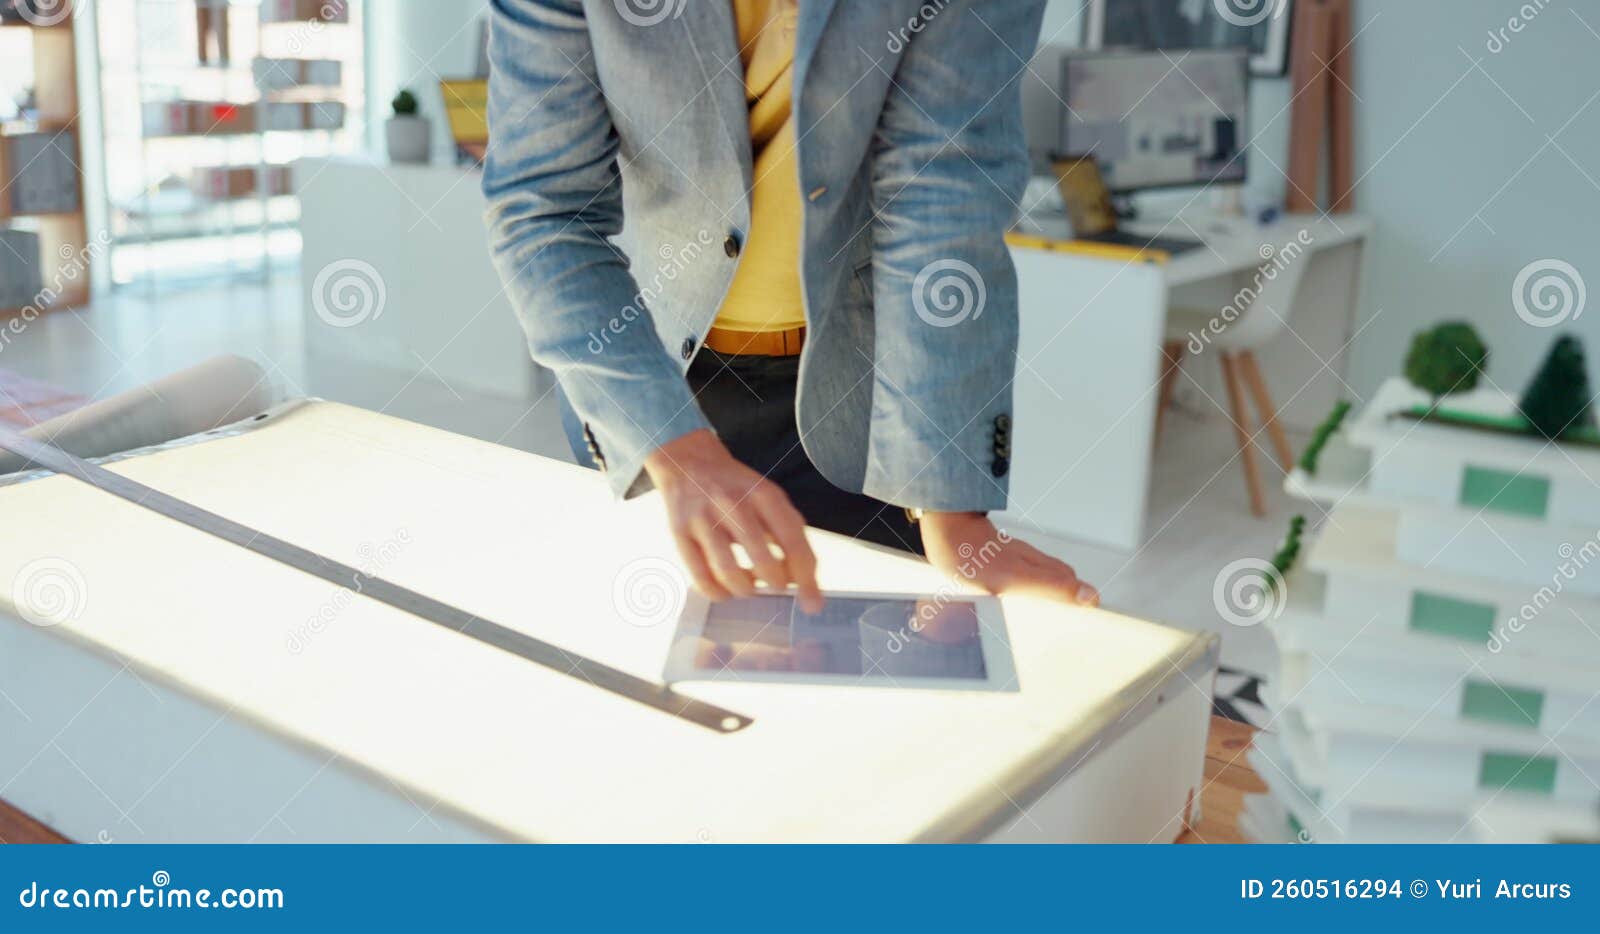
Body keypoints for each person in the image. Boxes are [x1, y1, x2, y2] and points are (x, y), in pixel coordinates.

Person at [483, 0, 1097, 612]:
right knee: (660, 673)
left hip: (868, 400)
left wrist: (949, 506)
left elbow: (943, 190)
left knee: (870, 678)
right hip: (650, 386)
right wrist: (673, 446)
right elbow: (545, 211)